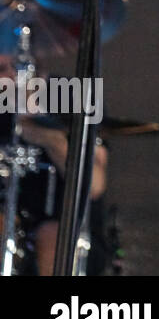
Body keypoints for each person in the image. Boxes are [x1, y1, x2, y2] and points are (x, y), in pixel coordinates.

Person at [0, 51, 109, 276]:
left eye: (14, 66)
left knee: (52, 238)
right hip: (8, 218)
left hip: (64, 226)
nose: (10, 76)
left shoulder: (74, 94)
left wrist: (51, 139)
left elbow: (95, 184)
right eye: (2, 70)